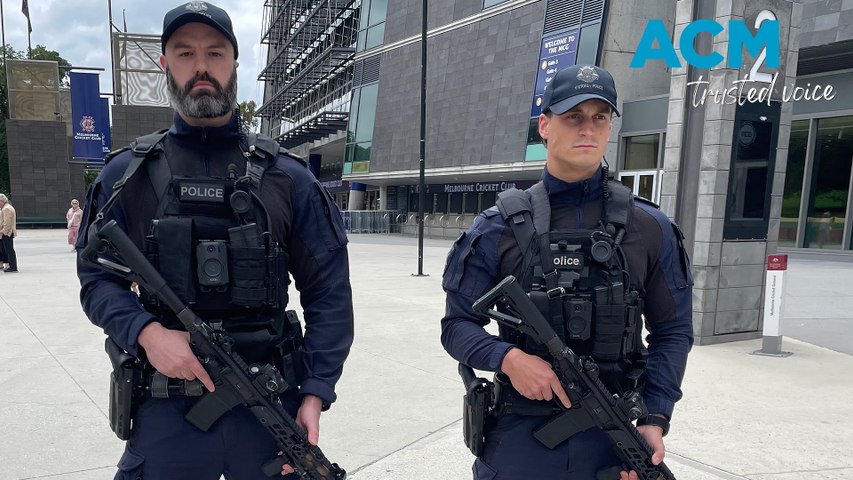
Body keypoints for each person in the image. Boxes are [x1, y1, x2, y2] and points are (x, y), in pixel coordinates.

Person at [76, 2, 354, 479]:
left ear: (235, 62)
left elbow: (329, 293)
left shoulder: (288, 177)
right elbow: (96, 280)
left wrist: (316, 391)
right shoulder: (127, 175)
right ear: (165, 65)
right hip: (166, 408)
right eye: (184, 53)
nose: (201, 66)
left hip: (270, 404)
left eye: (215, 52)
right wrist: (147, 333)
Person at [441, 64, 694, 480]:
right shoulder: (497, 227)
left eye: (600, 117)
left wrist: (655, 415)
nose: (588, 129)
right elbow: (457, 326)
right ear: (544, 125)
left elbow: (673, 331)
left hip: (612, 438)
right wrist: (507, 358)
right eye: (573, 116)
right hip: (519, 437)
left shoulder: (650, 227)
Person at [0, 193, 17, 273]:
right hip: (8, 232)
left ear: (1, 201)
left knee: (9, 250)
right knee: (9, 250)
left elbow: (7, 223)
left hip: (7, 233)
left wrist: (3, 232)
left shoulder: (6, 209)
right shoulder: (8, 207)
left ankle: (13, 267)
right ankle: (12, 266)